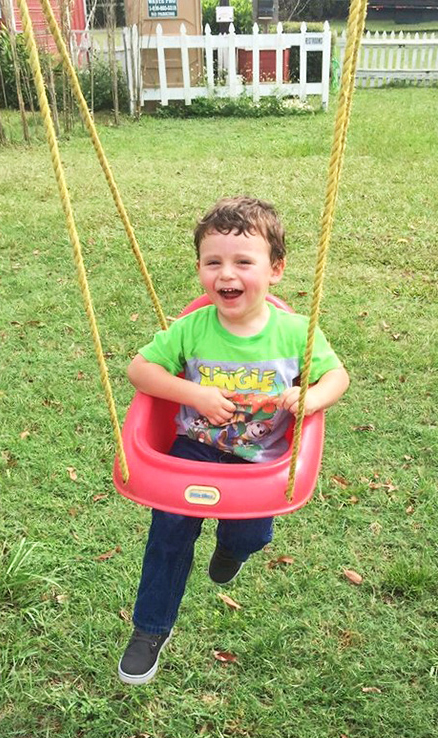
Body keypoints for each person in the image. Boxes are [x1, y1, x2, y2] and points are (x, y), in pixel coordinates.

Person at [118, 196, 349, 685]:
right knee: (169, 533)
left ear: (276, 270)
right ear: (200, 268)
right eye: (213, 262)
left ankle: (233, 549)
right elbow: (139, 370)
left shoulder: (295, 333)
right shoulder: (193, 327)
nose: (228, 274)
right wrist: (193, 394)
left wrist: (309, 398)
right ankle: (149, 630)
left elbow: (337, 378)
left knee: (249, 532)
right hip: (193, 449)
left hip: (261, 458)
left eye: (244, 262)